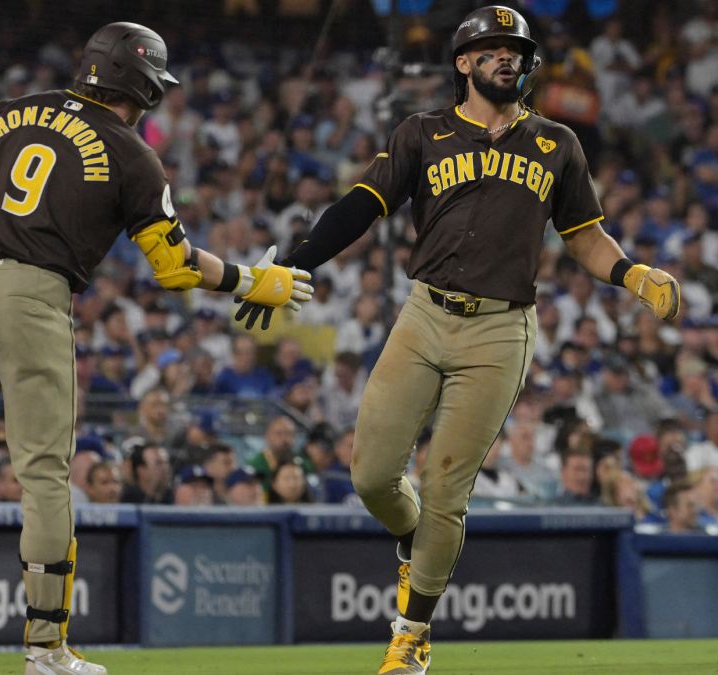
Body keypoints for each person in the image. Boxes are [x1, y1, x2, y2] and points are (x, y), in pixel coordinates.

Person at [234, 7, 680, 673]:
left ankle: (411, 636)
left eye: (515, 49)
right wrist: (296, 264)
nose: (506, 57)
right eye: (492, 48)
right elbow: (361, 204)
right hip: (425, 313)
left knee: (447, 488)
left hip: (501, 328)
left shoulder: (557, 142)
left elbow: (584, 235)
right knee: (372, 476)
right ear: (463, 62)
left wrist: (631, 272)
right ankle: (416, 537)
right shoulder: (423, 132)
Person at [0, 22, 313, 675]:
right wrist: (251, 279)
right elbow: (174, 268)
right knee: (43, 475)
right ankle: (45, 647)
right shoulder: (131, 152)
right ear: (145, 87)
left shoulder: (9, 111)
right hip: (32, 298)